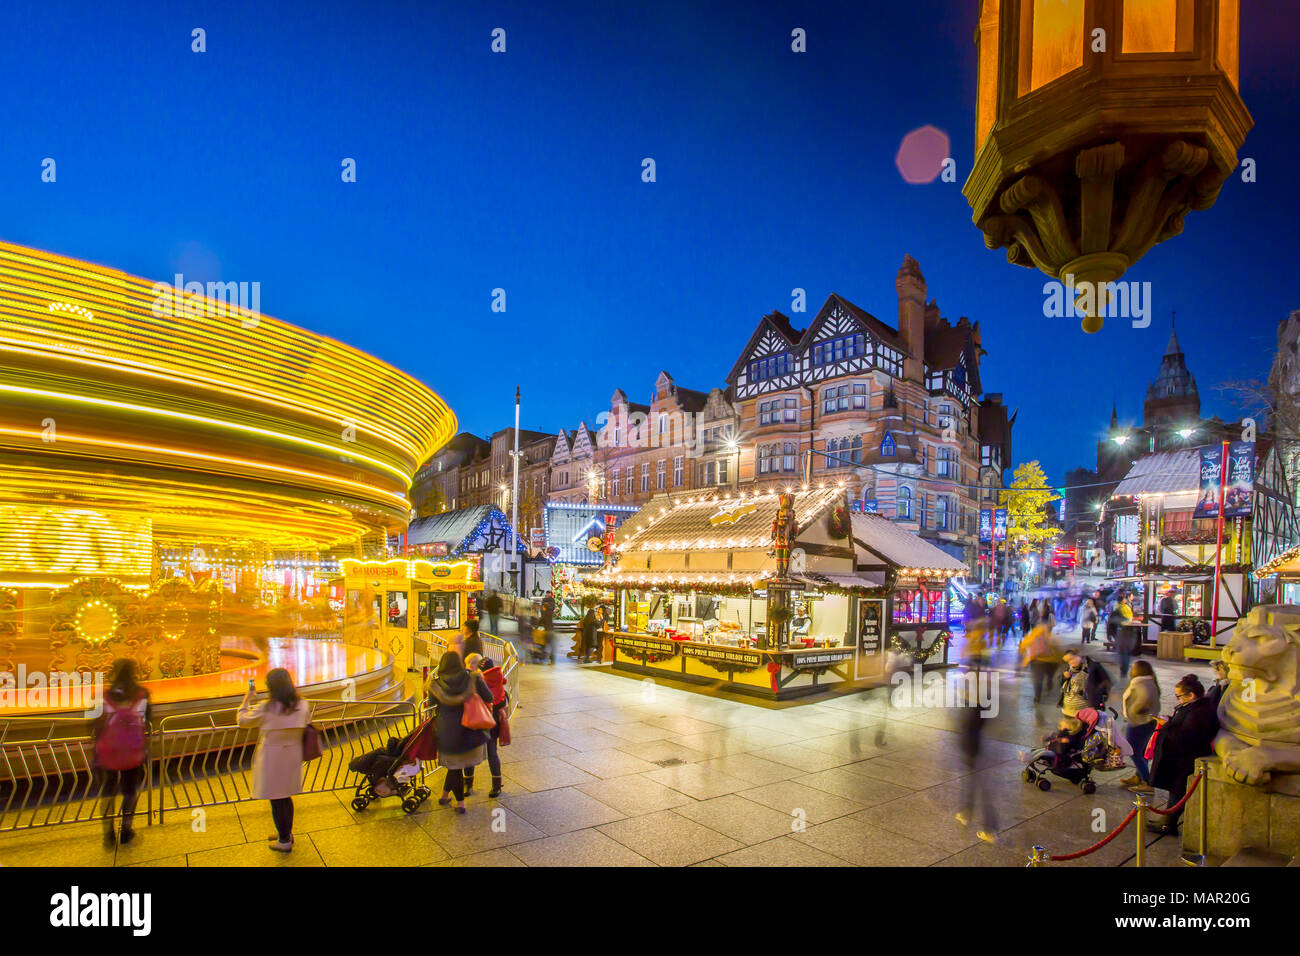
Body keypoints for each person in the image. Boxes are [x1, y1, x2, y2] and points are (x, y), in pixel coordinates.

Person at [237, 668, 311, 852]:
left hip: (272, 757)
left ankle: (284, 841)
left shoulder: (267, 707)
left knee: (277, 799)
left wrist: (247, 698)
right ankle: (285, 833)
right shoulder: (302, 704)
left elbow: (242, 721)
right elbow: (307, 724)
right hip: (293, 754)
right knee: (286, 796)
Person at [1147, 674, 1220, 834]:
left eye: (1179, 696)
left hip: (1186, 758)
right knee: (1175, 790)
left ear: (1191, 695)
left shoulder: (1200, 712)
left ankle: (1169, 823)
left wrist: (1166, 725)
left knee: (1178, 790)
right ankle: (1167, 820)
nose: (1177, 699)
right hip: (1181, 757)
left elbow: (1186, 736)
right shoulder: (1196, 707)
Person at [93, 658, 152, 849]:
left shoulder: (104, 696)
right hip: (133, 751)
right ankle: (126, 830)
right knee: (129, 791)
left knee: (108, 790)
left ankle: (108, 833)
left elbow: (94, 724)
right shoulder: (143, 694)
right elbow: (148, 722)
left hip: (108, 751)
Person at [426, 651, 493, 813]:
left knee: (453, 766)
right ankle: (460, 802)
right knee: (455, 766)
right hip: (468, 728)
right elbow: (489, 696)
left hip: (446, 730)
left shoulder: (435, 684)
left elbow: (431, 704)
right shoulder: (472, 677)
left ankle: (447, 796)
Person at [463, 652, 509, 798]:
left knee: (470, 751)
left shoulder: (479, 680)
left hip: (480, 719)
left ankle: (468, 785)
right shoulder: (499, 677)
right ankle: (496, 785)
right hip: (494, 719)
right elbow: (503, 697)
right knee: (492, 751)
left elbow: (483, 697)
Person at [1120, 660, 1161, 793]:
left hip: (1140, 722)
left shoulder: (1143, 684)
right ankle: (1139, 776)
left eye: (1133, 667)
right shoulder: (1146, 682)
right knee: (1141, 751)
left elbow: (1143, 701)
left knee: (1133, 752)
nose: (1131, 669)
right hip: (1143, 721)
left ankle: (1147, 782)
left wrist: (1131, 711)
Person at [1020, 617, 1063, 707]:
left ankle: (1037, 697)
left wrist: (1024, 658)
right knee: (1049, 677)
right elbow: (1059, 651)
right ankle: (1049, 683)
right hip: (1052, 662)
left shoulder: (1034, 634)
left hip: (1037, 661)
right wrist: (1060, 661)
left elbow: (1024, 644)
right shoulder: (1054, 637)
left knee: (1038, 680)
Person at [1058, 649, 1111, 718]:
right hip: (1068, 710)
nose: (1071, 662)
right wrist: (1064, 677)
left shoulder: (1093, 667)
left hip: (1086, 710)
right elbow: (1062, 683)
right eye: (1068, 661)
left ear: (1078, 655)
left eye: (1072, 659)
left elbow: (1106, 681)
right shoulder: (1068, 669)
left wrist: (1096, 698)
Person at [540, 591, 556, 665]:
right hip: (551, 630)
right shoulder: (549, 613)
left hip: (547, 631)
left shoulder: (544, 614)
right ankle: (551, 658)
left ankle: (543, 656)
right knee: (550, 645)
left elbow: (541, 621)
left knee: (545, 644)